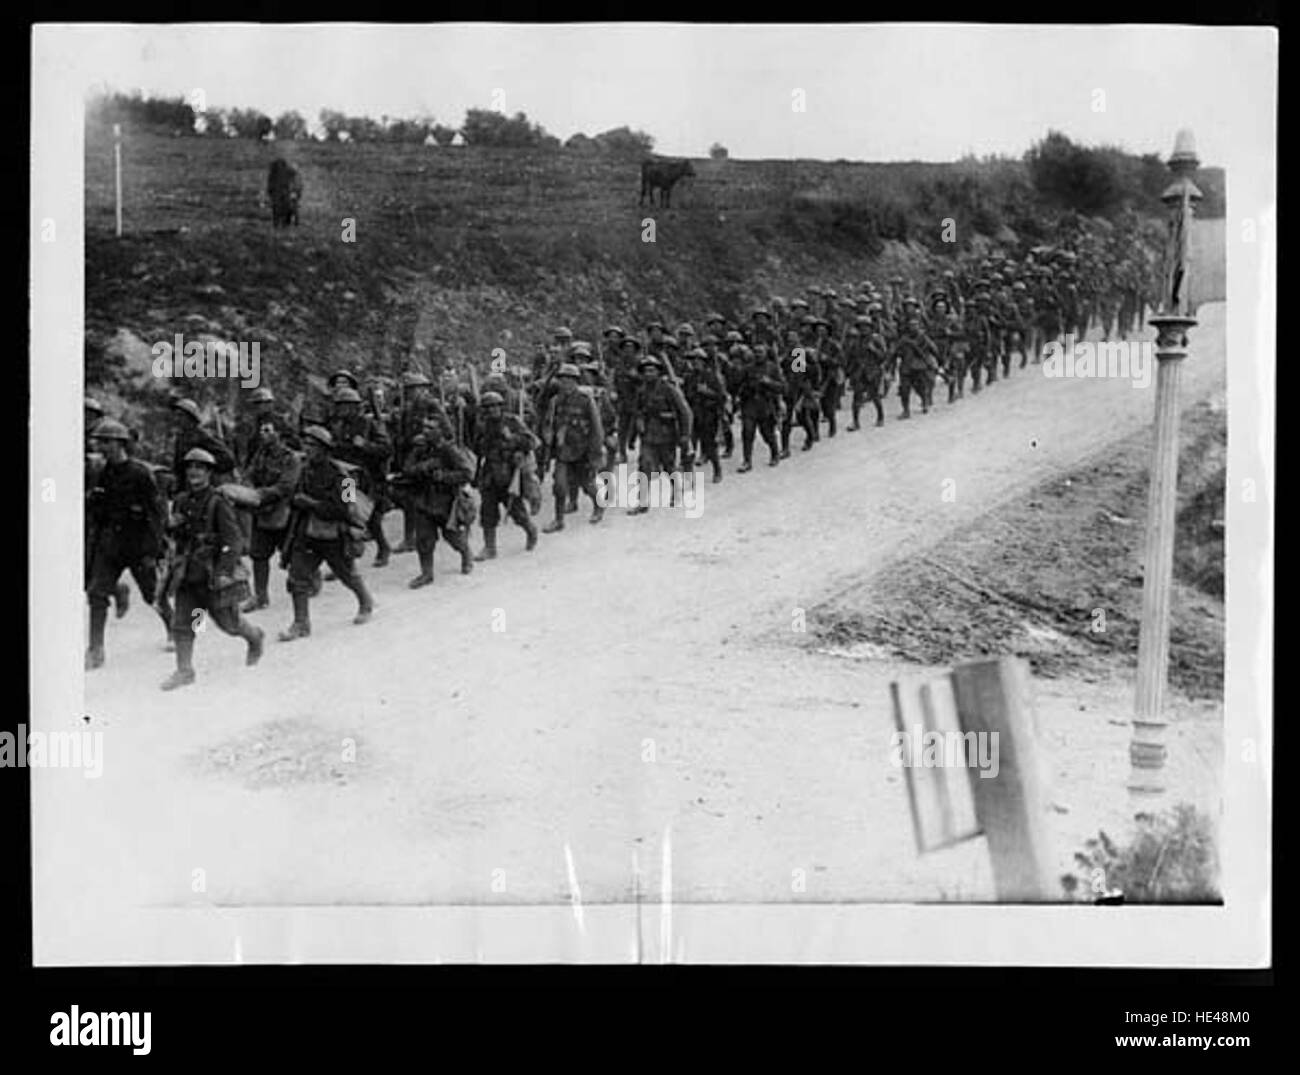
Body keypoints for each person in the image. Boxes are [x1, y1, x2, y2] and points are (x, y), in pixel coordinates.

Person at [159, 448, 264, 690]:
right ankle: (184, 671)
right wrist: (173, 527)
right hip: (188, 573)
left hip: (212, 574)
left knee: (229, 624)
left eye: (200, 468)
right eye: (190, 467)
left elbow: (234, 540)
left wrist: (224, 572)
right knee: (183, 623)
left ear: (209, 473)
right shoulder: (182, 500)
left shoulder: (218, 502)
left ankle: (255, 637)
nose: (194, 472)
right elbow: (176, 536)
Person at [84, 419, 170, 669]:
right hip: (110, 545)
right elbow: (96, 510)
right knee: (97, 594)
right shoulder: (100, 472)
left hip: (138, 546)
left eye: (107, 442)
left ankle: (174, 629)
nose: (102, 447)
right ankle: (95, 649)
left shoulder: (141, 473)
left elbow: (157, 516)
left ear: (121, 444)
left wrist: (153, 551)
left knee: (152, 594)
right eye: (100, 442)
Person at [277, 426, 376, 641]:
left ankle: (365, 602)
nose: (308, 449)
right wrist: (296, 501)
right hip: (308, 532)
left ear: (324, 449)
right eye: (306, 445)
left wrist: (311, 504)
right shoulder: (304, 469)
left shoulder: (345, 476)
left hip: (334, 535)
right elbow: (293, 495)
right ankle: (301, 623)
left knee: (347, 574)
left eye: (313, 446)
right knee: (297, 578)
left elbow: (346, 509)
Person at [397, 415, 475, 587]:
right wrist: (424, 467)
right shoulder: (420, 449)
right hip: (423, 499)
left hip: (444, 501)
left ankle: (466, 554)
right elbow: (407, 469)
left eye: (430, 428)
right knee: (424, 539)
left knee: (452, 536)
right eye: (424, 427)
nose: (425, 431)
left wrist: (445, 476)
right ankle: (426, 573)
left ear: (440, 431)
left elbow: (467, 473)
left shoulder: (449, 450)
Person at [240, 419, 302, 611]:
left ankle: (308, 582)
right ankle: (260, 596)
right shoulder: (260, 455)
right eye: (261, 431)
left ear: (279, 435)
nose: (263, 434)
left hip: (284, 512)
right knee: (258, 554)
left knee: (292, 554)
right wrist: (249, 489)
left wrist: (261, 494)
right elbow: (248, 475)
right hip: (262, 511)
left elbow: (286, 486)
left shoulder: (290, 458)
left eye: (267, 430)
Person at [472, 391, 540, 559]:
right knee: (487, 511)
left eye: (495, 406)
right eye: (488, 408)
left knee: (517, 511)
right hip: (490, 472)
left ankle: (530, 530)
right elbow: (476, 448)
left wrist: (512, 440)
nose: (492, 410)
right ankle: (489, 548)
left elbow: (532, 442)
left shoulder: (512, 421)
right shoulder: (482, 425)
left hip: (509, 473)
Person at [540, 364, 605, 530]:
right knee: (559, 486)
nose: (566, 384)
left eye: (569, 381)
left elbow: (596, 429)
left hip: (582, 450)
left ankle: (598, 506)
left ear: (576, 382)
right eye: (563, 381)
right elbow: (548, 424)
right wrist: (548, 441)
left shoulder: (585, 400)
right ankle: (559, 520)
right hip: (563, 451)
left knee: (587, 484)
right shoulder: (555, 401)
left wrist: (595, 454)